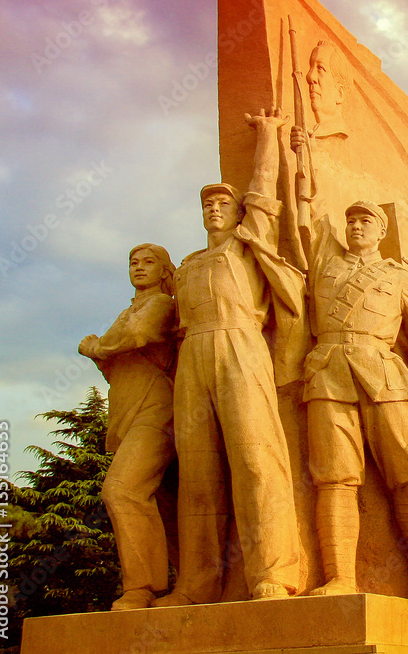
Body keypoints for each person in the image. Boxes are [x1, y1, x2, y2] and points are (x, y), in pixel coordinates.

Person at [155, 110, 304, 606]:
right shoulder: (188, 265)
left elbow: (263, 188)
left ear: (239, 212)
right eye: (207, 204)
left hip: (241, 345)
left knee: (256, 459)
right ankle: (196, 584)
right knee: (198, 475)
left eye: (223, 202)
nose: (214, 209)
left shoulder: (246, 244)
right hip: (193, 353)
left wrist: (269, 134)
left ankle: (273, 574)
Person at [299, 193, 408, 604]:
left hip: (384, 375)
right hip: (328, 374)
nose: (356, 227)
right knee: (334, 479)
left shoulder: (399, 276)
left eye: (365, 221)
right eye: (351, 221)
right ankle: (339, 578)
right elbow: (303, 215)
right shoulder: (324, 265)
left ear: (381, 231)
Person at [79, 243, 178, 610]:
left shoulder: (162, 304)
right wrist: (103, 352)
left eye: (148, 262)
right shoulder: (127, 311)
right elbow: (114, 361)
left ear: (163, 270)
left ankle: (141, 587)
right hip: (126, 412)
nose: (139, 267)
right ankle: (188, 581)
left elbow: (137, 335)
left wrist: (97, 346)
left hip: (157, 410)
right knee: (165, 504)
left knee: (121, 490)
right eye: (133, 262)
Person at [305, 39, 350, 139]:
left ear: (339, 93)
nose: (310, 76)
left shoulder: (338, 136)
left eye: (320, 68)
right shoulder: (313, 133)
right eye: (311, 67)